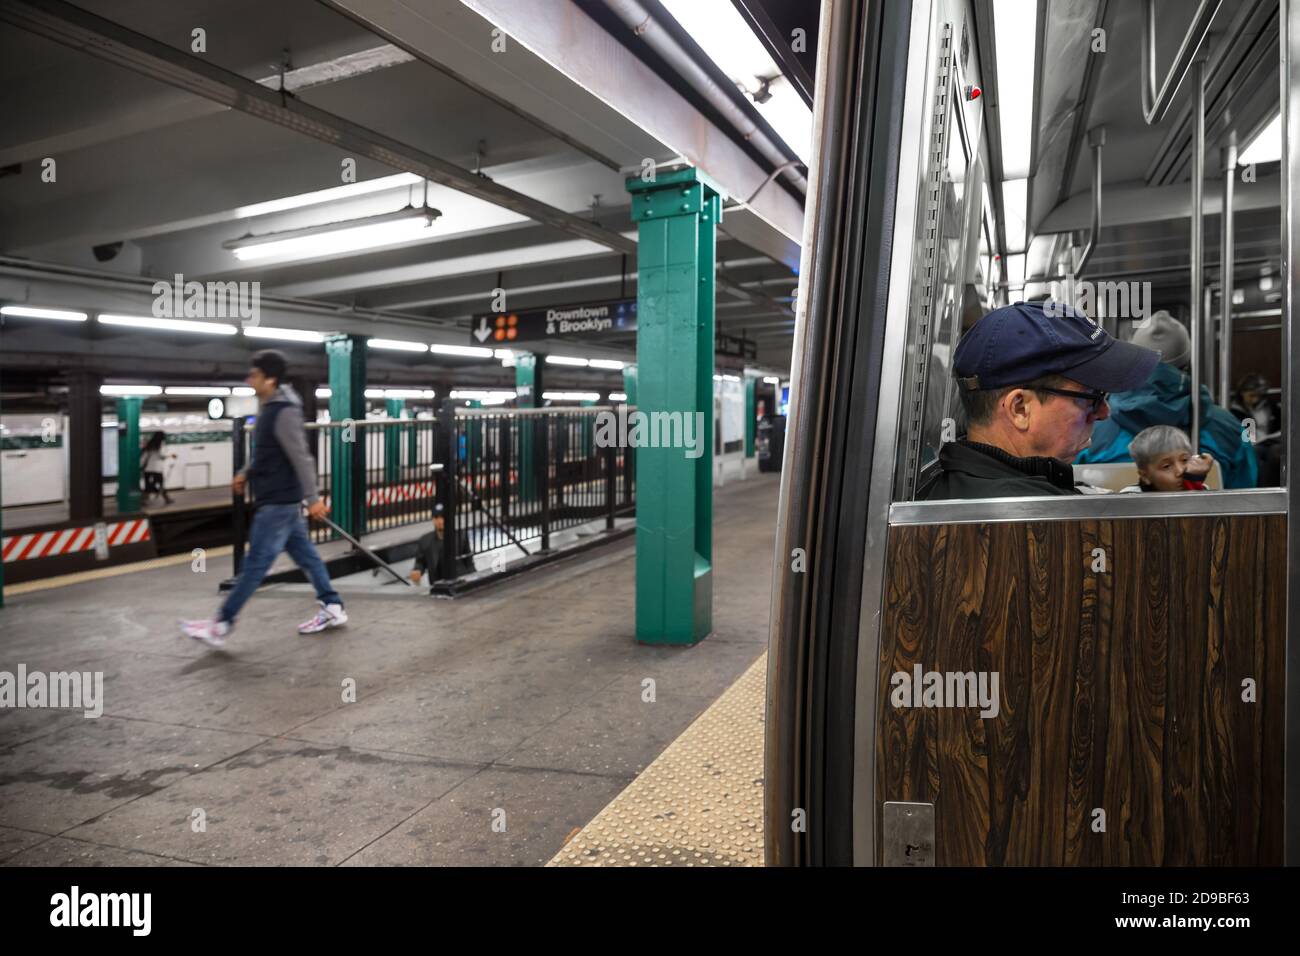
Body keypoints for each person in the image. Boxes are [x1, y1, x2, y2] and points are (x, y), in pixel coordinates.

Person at [180, 350, 347, 647]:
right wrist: (246, 471)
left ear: (270, 379)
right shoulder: (271, 407)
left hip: (278, 503)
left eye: (255, 374)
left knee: (256, 564)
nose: (249, 379)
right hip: (280, 500)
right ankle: (332, 606)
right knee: (306, 556)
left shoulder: (283, 411)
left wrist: (313, 498)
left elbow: (301, 457)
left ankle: (221, 624)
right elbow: (266, 453)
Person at [918, 300, 1160, 500]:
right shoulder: (1038, 524)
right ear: (1020, 409)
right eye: (1092, 397)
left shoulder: (963, 484)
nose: (1104, 412)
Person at [1076, 311, 1258, 488]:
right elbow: (1247, 492)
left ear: (1134, 363)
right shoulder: (1231, 428)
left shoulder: (1089, 429)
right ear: (1187, 365)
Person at [1119, 425, 1213, 492]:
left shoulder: (1201, 490)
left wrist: (1195, 481)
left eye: (1185, 460)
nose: (1180, 471)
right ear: (1145, 476)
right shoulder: (1130, 499)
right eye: (1167, 466)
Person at [1230, 372, 1281, 486]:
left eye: (1258, 396)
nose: (1255, 400)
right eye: (1251, 396)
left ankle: (1270, 486)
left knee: (1276, 452)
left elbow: (1280, 425)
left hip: (1270, 442)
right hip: (1251, 444)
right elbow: (1244, 436)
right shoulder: (1235, 410)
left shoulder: (1271, 406)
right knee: (1254, 452)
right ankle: (1259, 486)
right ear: (1242, 393)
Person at [409, 503, 474, 585]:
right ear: (433, 519)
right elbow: (420, 562)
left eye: (443, 517)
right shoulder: (425, 540)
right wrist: (417, 570)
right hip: (437, 585)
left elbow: (469, 562)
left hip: (459, 584)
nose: (440, 521)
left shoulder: (461, 536)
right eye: (436, 518)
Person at [140, 431, 174, 505]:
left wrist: (141, 465)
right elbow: (162, 455)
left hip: (148, 470)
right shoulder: (161, 445)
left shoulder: (149, 445)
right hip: (157, 469)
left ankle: (143, 501)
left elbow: (144, 457)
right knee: (161, 484)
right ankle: (167, 499)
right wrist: (170, 456)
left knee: (148, 486)